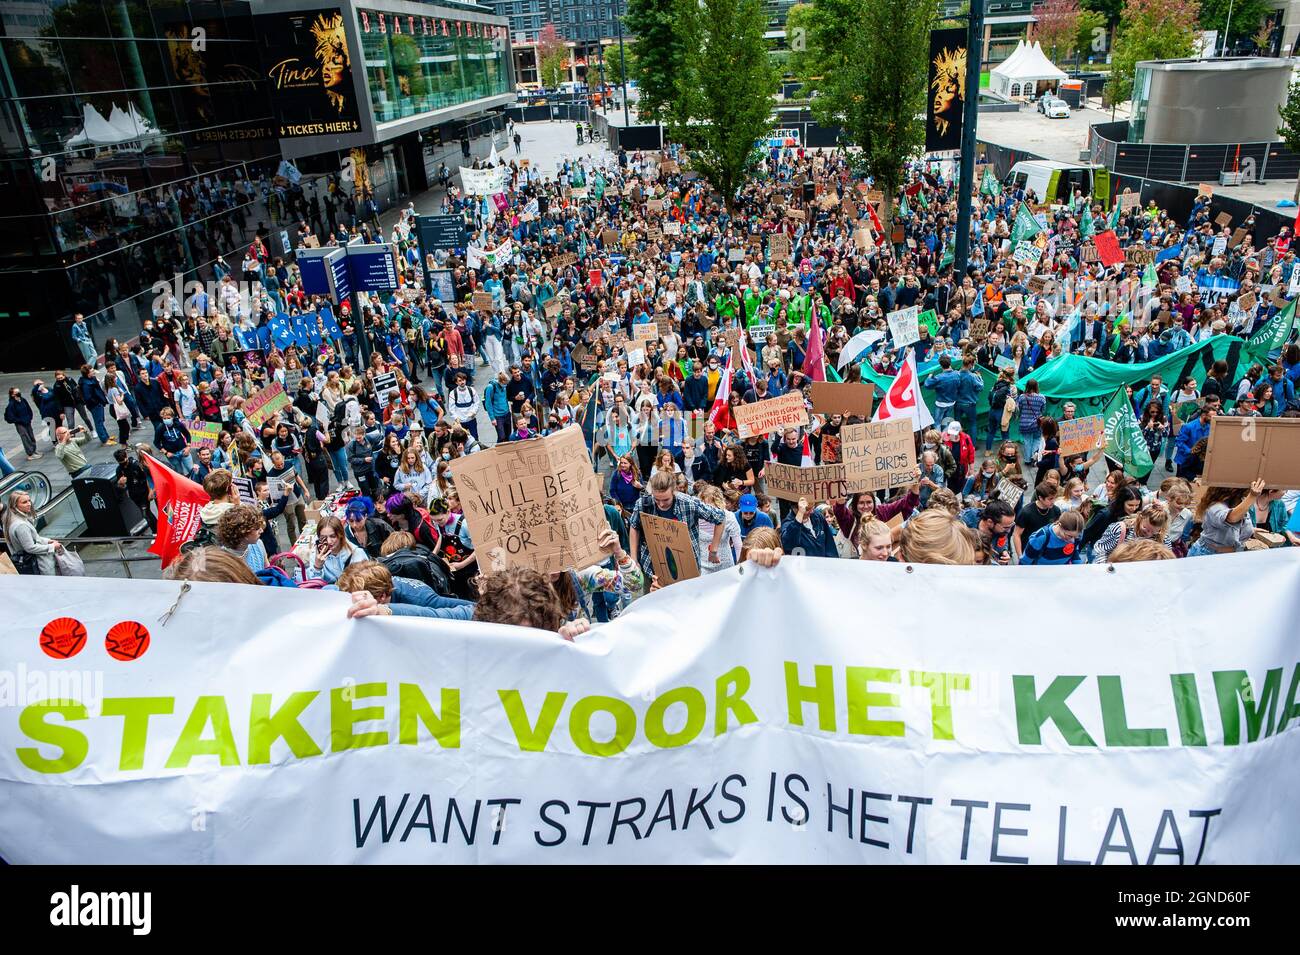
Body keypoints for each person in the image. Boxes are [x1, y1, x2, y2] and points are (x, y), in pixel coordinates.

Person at [341, 561, 476, 620]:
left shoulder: (421, 598)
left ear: (382, 596)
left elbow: (474, 609)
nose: (355, 602)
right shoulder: (361, 587)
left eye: (360, 599)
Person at [1187, 479, 1265, 557]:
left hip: (1232, 555)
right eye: (1244, 493)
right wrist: (1252, 496)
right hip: (1207, 555)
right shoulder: (1215, 507)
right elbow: (1231, 518)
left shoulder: (1239, 502)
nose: (1245, 495)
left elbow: (1233, 528)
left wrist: (1251, 530)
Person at [3, 489, 64, 575]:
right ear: (14, 505)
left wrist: (47, 541)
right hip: (35, 564)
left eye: (29, 501)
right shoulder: (21, 525)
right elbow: (30, 547)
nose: (29, 504)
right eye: (24, 502)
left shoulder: (12, 519)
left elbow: (32, 538)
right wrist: (52, 547)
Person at [306, 515, 367, 583]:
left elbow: (363, 582)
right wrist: (317, 567)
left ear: (340, 535)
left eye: (333, 536)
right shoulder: (316, 556)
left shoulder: (357, 554)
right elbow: (314, 585)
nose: (329, 541)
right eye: (323, 537)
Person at [1020, 510, 1086, 565]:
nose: (1072, 540)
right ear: (1060, 525)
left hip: (1063, 574)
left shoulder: (1077, 535)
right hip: (1041, 575)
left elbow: (1074, 553)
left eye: (1075, 537)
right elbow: (1025, 561)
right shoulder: (1041, 537)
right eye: (1069, 536)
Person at [5, 388, 39, 460]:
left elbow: (28, 408)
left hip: (27, 421)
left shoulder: (22, 400)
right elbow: (10, 417)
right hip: (20, 424)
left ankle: (34, 450)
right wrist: (19, 420)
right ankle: (30, 453)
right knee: (25, 438)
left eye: (18, 391)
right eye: (16, 392)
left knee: (31, 436)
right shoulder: (11, 404)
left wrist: (30, 417)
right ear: (12, 394)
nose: (18, 393)